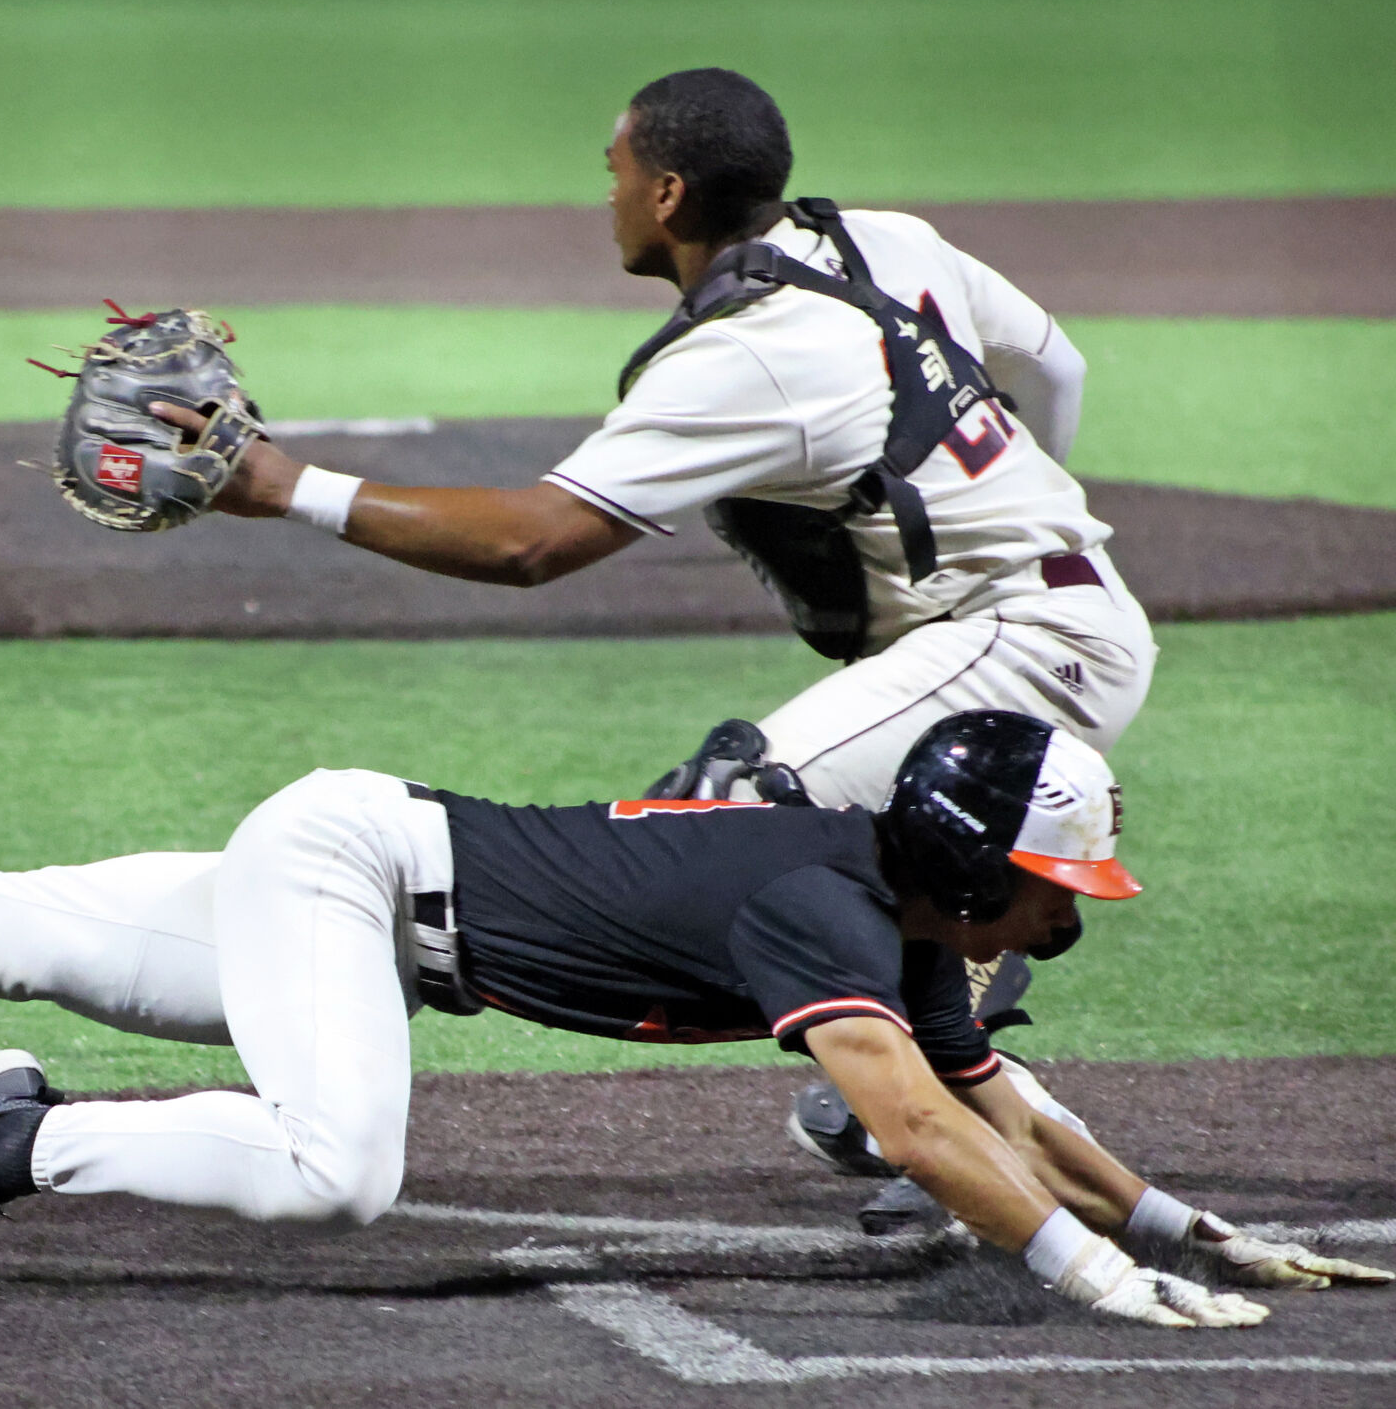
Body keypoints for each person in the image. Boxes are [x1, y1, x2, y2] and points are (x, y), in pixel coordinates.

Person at [0, 712, 1389, 1319]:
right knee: (331, 1170)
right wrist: (1080, 1273)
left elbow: (996, 1094)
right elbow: (919, 1130)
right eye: (1061, 882)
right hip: (351, 883)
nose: (1070, 912)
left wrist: (1163, 1219)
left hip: (366, 899)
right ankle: (12, 1140)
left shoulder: (898, 913)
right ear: (978, 862)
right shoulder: (819, 896)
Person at [158, 66, 1154, 1227]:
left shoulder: (752, 352)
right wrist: (1020, 508)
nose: (609, 195)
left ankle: (948, 1114)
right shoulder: (880, 237)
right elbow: (1057, 368)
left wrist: (286, 485)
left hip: (1014, 635)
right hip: (1058, 612)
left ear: (669, 194)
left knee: (738, 811)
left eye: (616, 172)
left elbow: (534, 542)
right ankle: (924, 1093)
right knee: (821, 846)